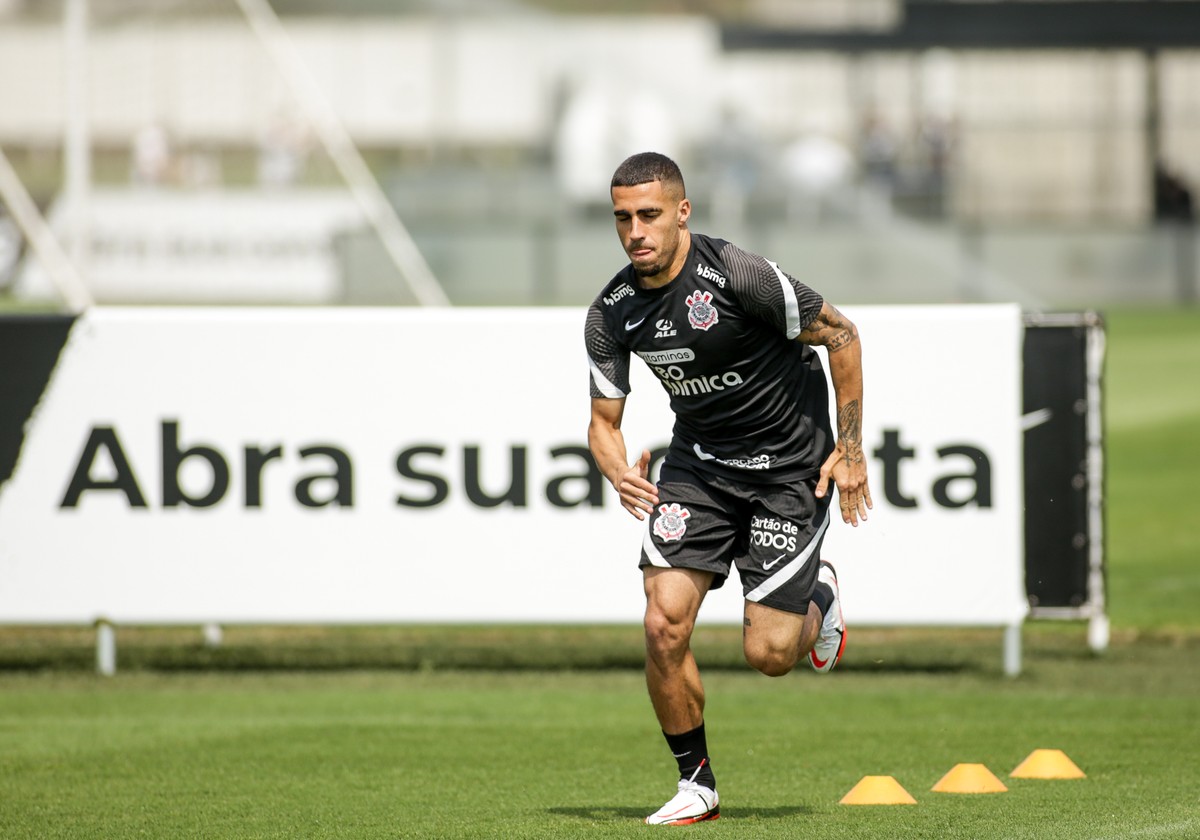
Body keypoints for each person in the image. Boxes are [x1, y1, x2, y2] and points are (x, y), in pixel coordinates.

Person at [584, 151, 872, 825]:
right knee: (662, 624)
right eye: (623, 218)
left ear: (682, 212)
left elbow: (843, 334)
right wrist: (615, 466)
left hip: (788, 472)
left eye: (650, 215)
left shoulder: (737, 275)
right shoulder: (613, 313)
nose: (636, 232)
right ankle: (697, 784)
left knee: (770, 656)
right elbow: (602, 423)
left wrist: (850, 446)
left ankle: (818, 594)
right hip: (698, 470)